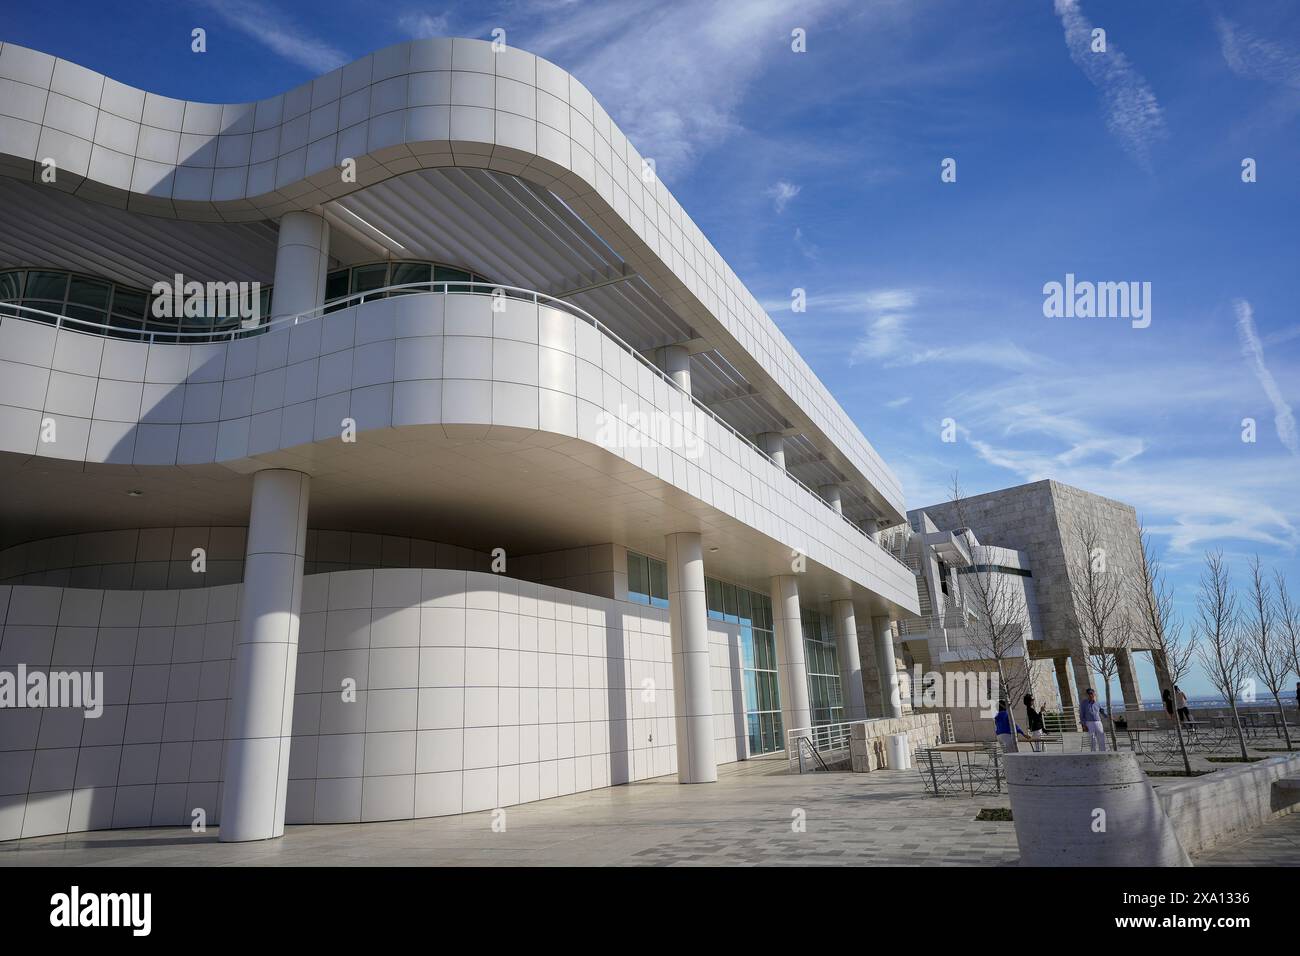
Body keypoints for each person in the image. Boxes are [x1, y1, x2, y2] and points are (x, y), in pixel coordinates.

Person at [1080, 687, 1107, 751]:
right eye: (1089, 694)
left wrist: (1107, 716)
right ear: (1087, 695)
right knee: (1092, 739)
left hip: (1098, 722)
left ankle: (1103, 752)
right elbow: (1082, 715)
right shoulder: (1084, 703)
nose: (1090, 695)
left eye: (1092, 693)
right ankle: (1093, 753)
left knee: (1101, 737)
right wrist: (1084, 725)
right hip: (1089, 723)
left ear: (1094, 694)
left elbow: (1101, 711)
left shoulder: (1097, 703)